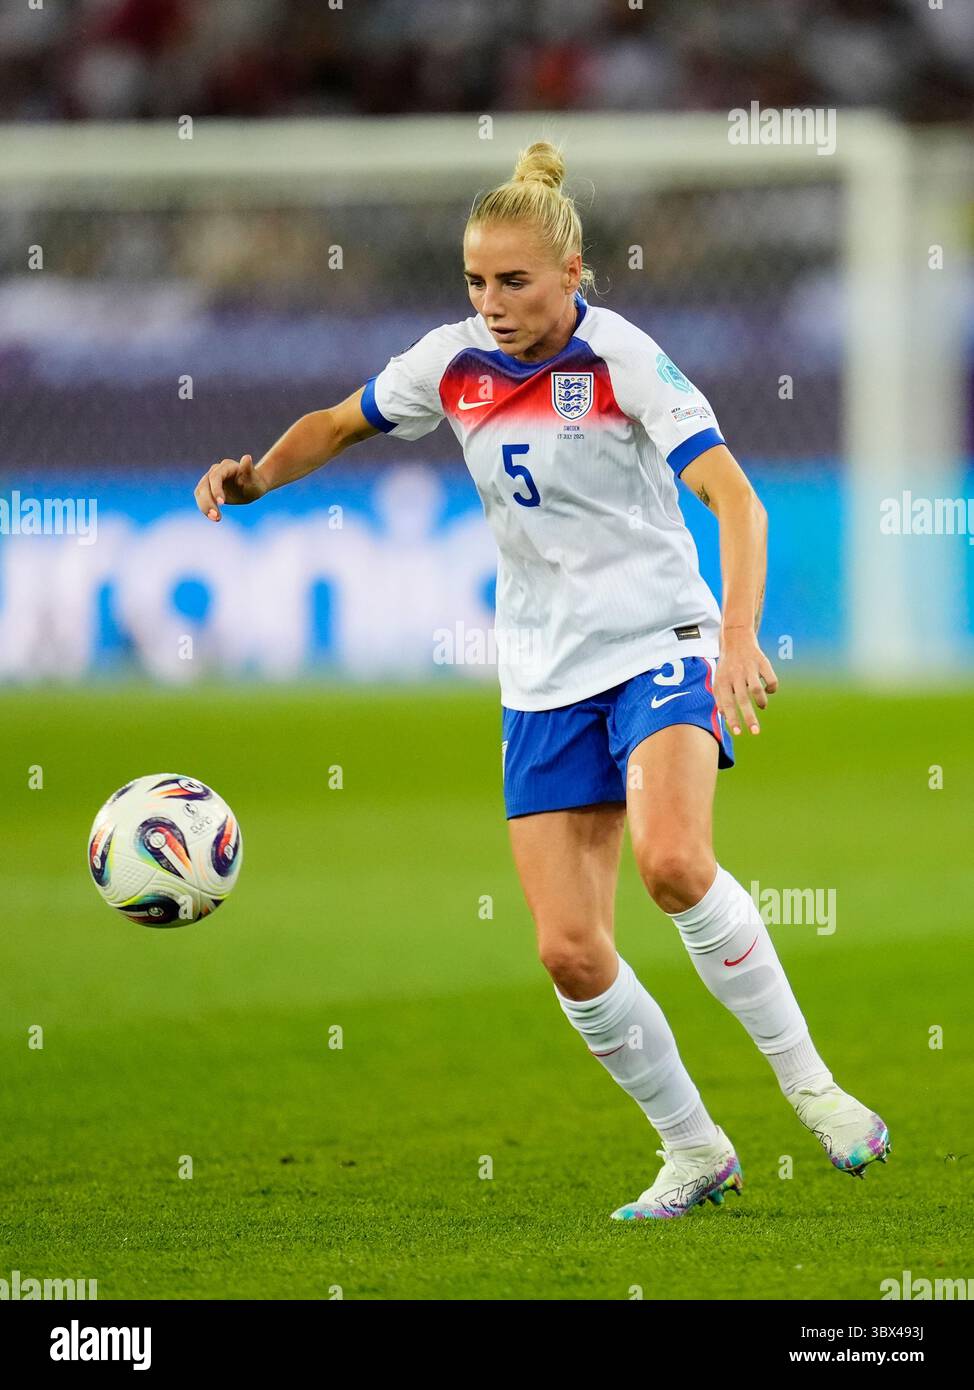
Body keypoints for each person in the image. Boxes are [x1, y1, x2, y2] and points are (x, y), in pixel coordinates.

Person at [193, 140, 890, 1221]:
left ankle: (812, 1088)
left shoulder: (626, 361)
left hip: (656, 640)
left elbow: (735, 501)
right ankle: (692, 1148)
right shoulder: (450, 361)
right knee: (567, 950)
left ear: (573, 272)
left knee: (671, 863)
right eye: (474, 282)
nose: (492, 302)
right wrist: (253, 475)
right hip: (539, 671)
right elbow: (336, 423)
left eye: (512, 281)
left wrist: (738, 634)